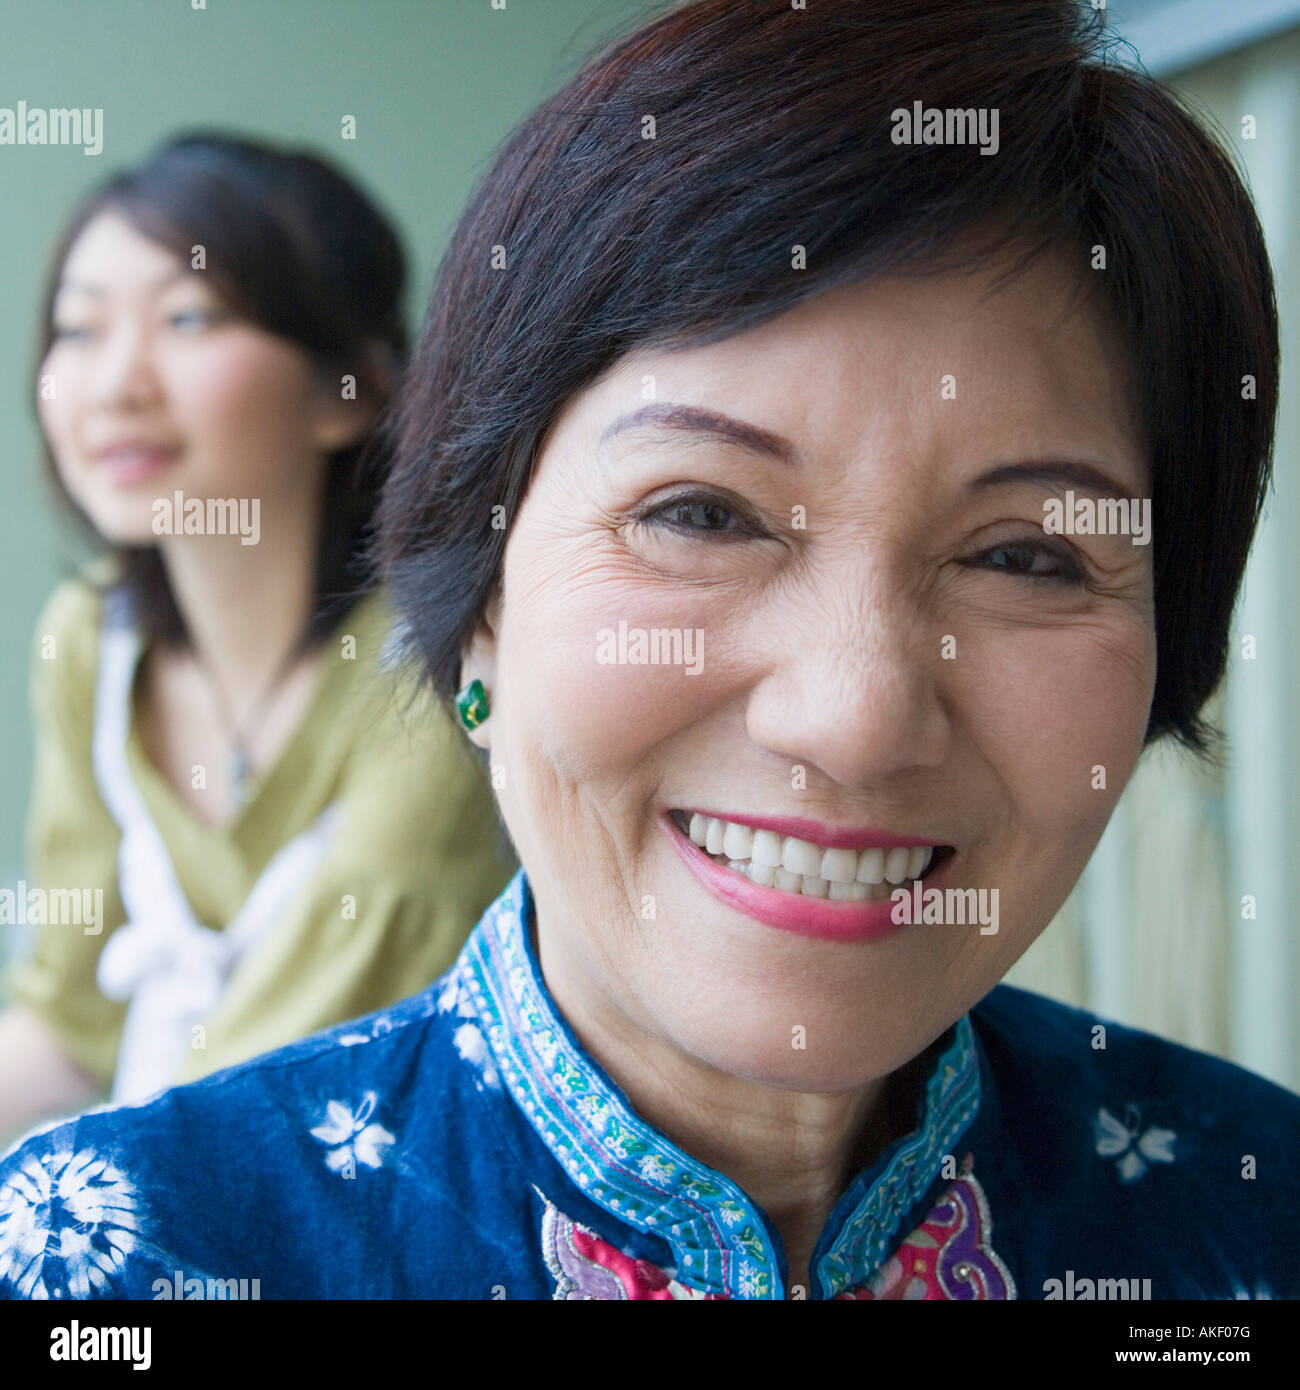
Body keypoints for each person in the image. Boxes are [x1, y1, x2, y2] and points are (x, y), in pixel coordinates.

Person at [1, 0, 1295, 1300]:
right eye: (700, 514)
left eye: (1024, 555)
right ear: (476, 615)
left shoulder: (1257, 1213)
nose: (853, 715)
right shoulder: (110, 1267)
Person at [0, 134, 514, 1145]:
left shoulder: (433, 661)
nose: (115, 384)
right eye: (79, 327)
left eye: (187, 317)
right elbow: (66, 1019)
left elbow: (270, 1090)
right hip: (155, 1182)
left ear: (349, 392)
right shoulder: (92, 643)